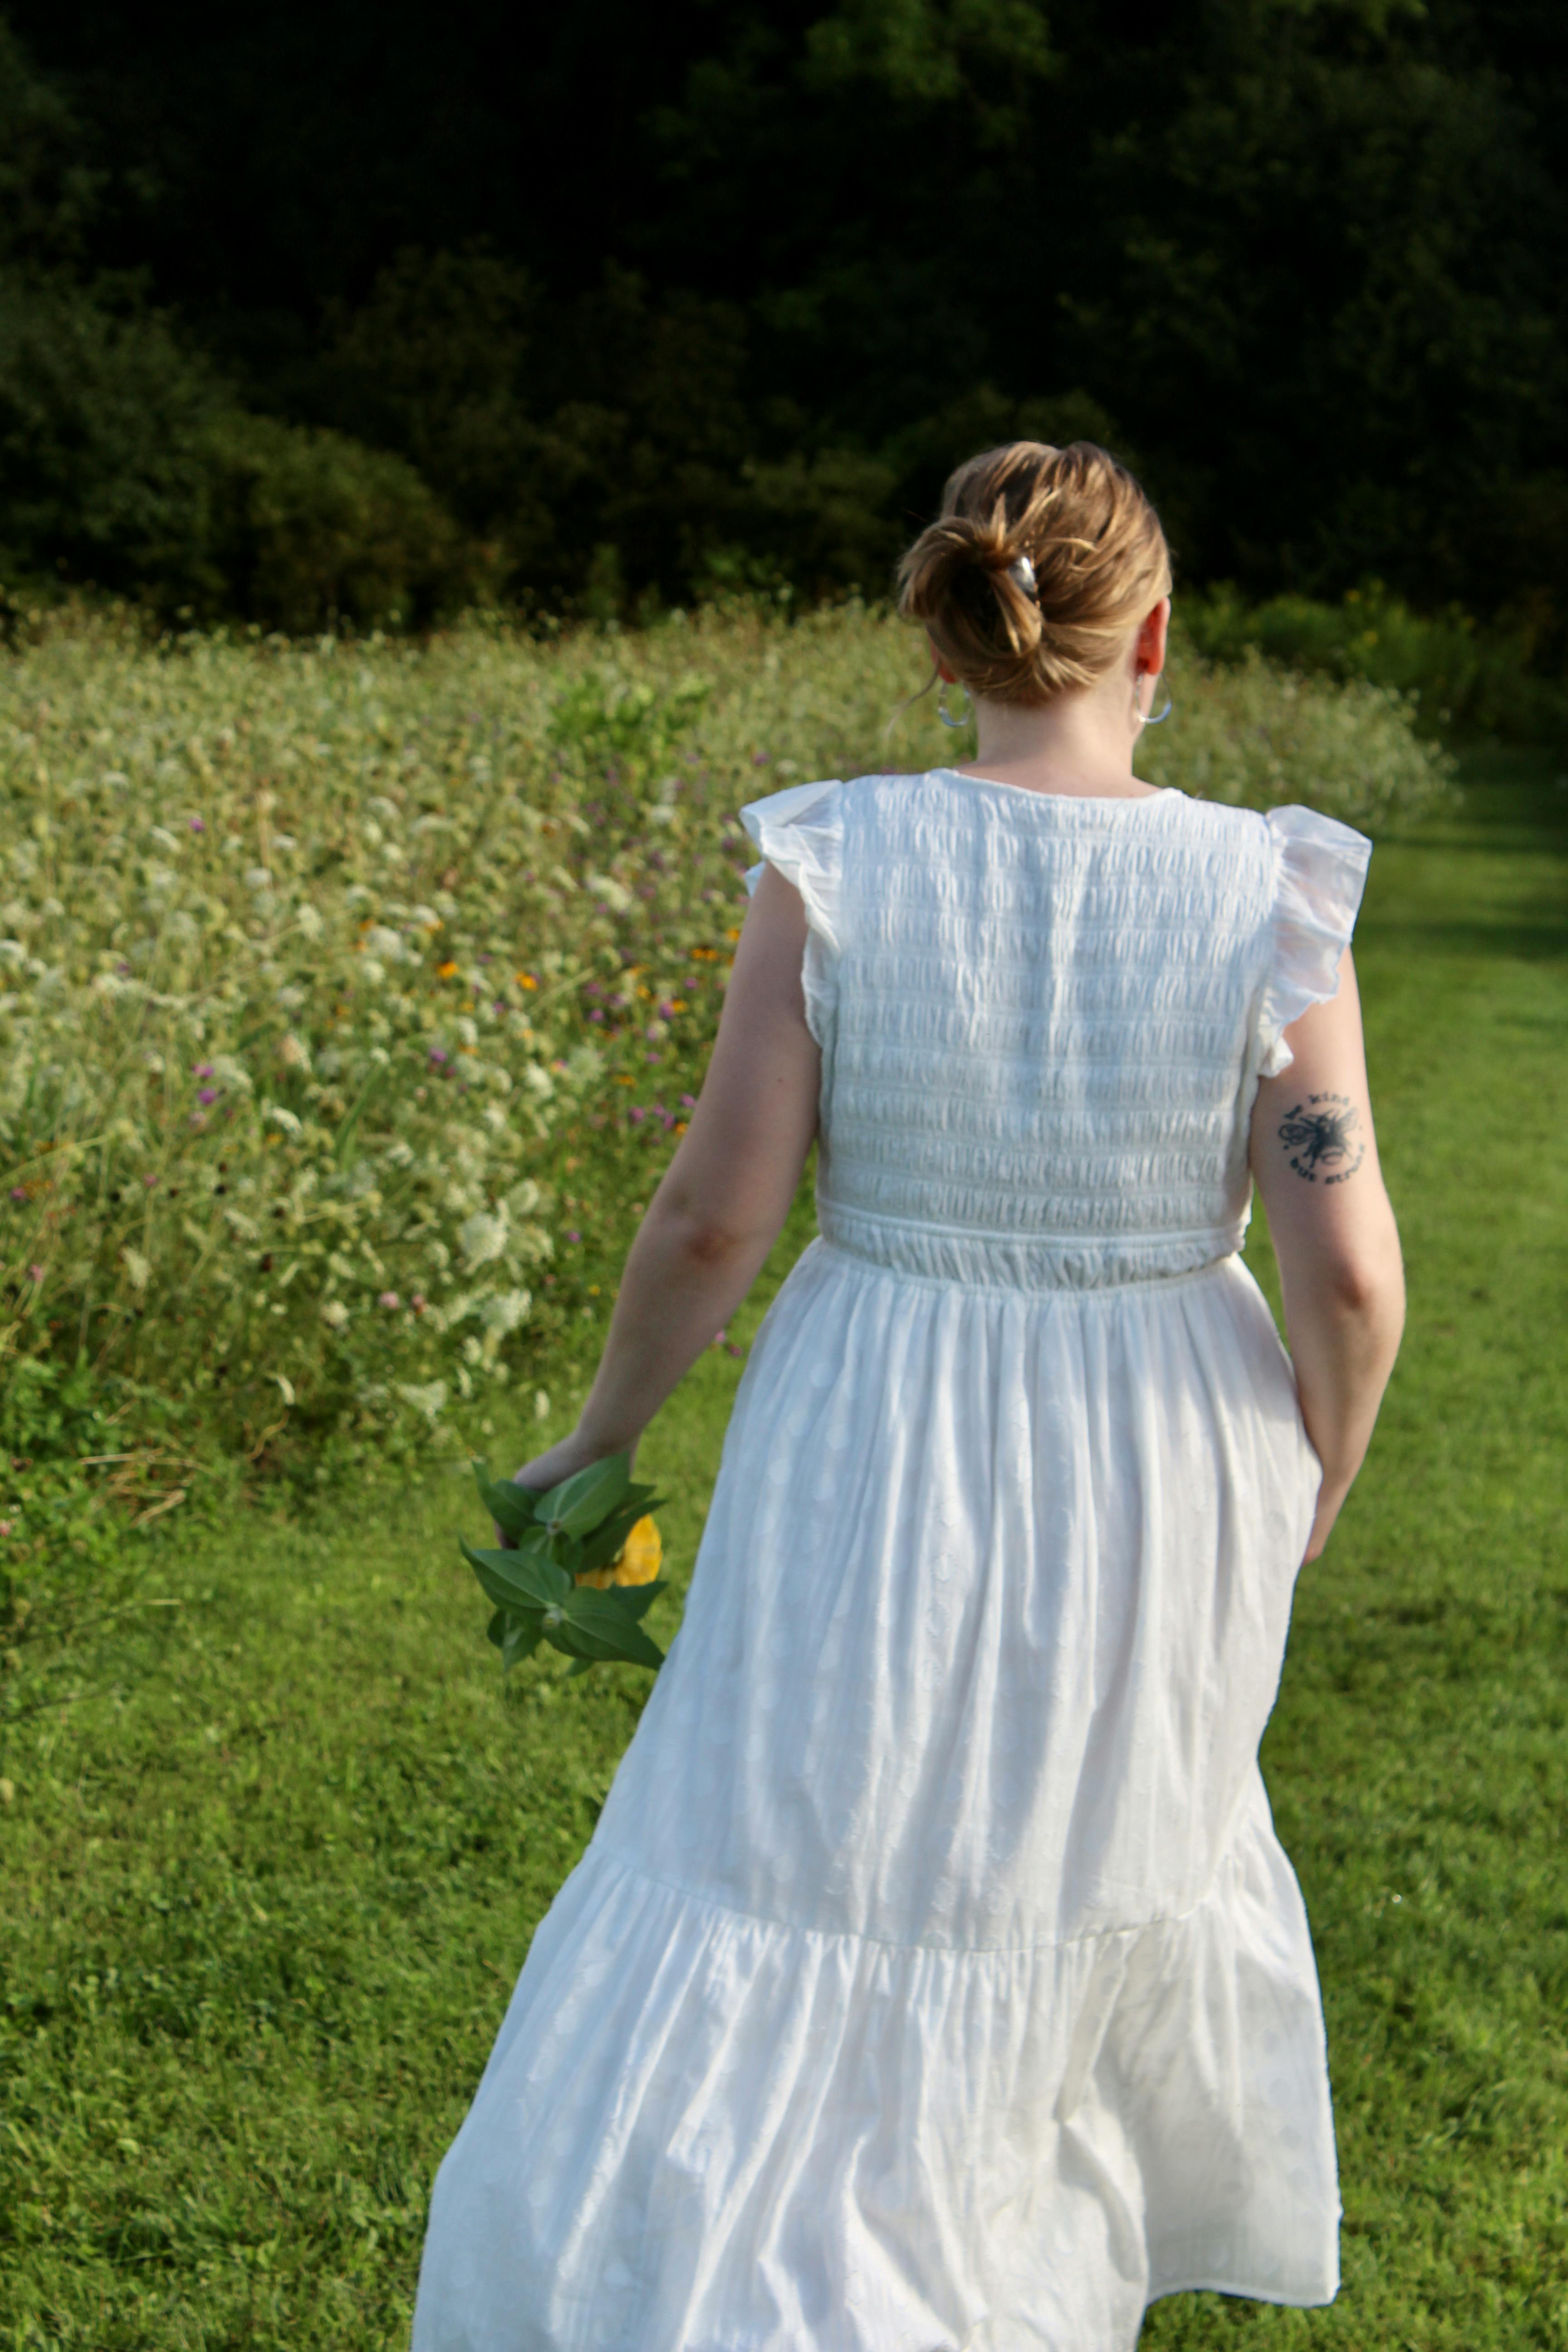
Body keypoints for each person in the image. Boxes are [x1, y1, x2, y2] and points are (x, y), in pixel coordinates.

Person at [411, 441, 1406, 2351]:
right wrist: (1316, 1470)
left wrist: (603, 1434)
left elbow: (718, 1221)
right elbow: (1347, 1269)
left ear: (945, 647)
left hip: (880, 1419)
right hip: (1169, 1448)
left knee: (807, 1857)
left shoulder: (842, 861)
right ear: (1157, 640)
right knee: (1070, 1882)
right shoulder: (1267, 888)